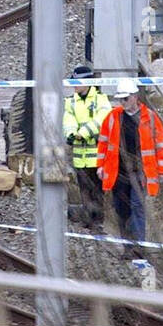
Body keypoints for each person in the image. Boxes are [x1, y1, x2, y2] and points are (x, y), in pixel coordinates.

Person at [97, 78, 163, 259]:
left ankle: (139, 249)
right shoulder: (113, 117)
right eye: (121, 99)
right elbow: (103, 143)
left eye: (126, 98)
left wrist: (161, 171)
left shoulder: (150, 118)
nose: (122, 102)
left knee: (138, 207)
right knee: (122, 209)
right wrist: (101, 166)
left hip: (140, 173)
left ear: (135, 97)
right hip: (118, 172)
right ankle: (128, 248)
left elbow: (161, 145)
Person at [63, 64, 111, 233]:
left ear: (87, 82)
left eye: (76, 82)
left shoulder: (101, 99)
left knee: (97, 190)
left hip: (96, 156)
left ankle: (97, 222)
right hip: (79, 155)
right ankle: (89, 220)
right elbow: (68, 120)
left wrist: (82, 133)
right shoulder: (71, 102)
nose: (74, 85)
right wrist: (70, 133)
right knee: (84, 189)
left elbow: (101, 119)